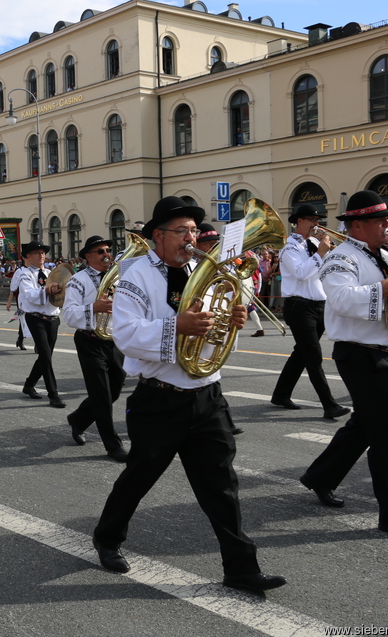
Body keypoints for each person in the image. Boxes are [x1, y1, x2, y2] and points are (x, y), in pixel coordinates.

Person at [92, 196, 286, 593]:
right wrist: (177, 325)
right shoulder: (134, 275)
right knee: (139, 477)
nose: (191, 238)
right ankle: (107, 537)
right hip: (159, 398)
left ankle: (241, 568)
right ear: (158, 236)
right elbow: (125, 336)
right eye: (182, 231)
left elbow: (215, 323)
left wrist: (233, 318)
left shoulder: (204, 268)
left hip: (205, 393)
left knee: (222, 486)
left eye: (194, 231)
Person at [299, 190, 388, 541]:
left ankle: (320, 476)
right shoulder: (340, 259)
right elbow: (342, 299)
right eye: (381, 220)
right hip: (361, 353)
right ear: (358, 225)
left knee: (365, 423)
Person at [270, 204, 350, 420]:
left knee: (301, 354)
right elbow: (301, 273)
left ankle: (280, 394)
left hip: (320, 305)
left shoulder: (315, 243)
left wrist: (334, 253)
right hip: (299, 306)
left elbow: (324, 270)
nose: (317, 223)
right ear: (299, 221)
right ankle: (329, 405)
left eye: (318, 219)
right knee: (313, 356)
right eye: (311, 219)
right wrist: (322, 252)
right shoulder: (289, 249)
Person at [62, 235, 128, 462]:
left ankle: (78, 419)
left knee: (115, 389)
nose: (106, 254)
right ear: (88, 256)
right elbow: (69, 314)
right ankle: (112, 445)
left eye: (108, 250)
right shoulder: (78, 280)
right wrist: (93, 307)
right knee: (101, 395)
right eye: (100, 251)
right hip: (90, 340)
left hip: (114, 339)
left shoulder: (118, 277)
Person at [17, 240, 64, 407]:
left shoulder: (52, 273)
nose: (41, 255)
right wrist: (47, 290)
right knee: (45, 355)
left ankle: (29, 385)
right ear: (28, 256)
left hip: (53, 318)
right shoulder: (25, 274)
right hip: (36, 318)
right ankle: (53, 394)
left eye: (43, 252)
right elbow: (29, 295)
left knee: (46, 356)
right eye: (37, 253)